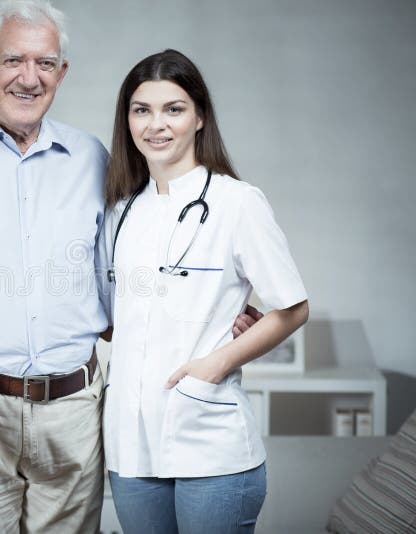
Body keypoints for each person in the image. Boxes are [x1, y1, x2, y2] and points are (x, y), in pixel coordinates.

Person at [0, 2, 260, 531]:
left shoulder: (93, 159)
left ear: (61, 74)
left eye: (45, 63)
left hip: (76, 410)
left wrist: (212, 310)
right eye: (12, 60)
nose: (29, 77)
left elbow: (123, 283)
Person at [101, 49, 310, 534]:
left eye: (173, 109)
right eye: (141, 110)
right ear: (127, 121)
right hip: (131, 449)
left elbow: (293, 307)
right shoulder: (121, 211)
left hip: (209, 445)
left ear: (200, 118)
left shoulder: (238, 203)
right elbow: (121, 317)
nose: (157, 124)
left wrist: (217, 362)